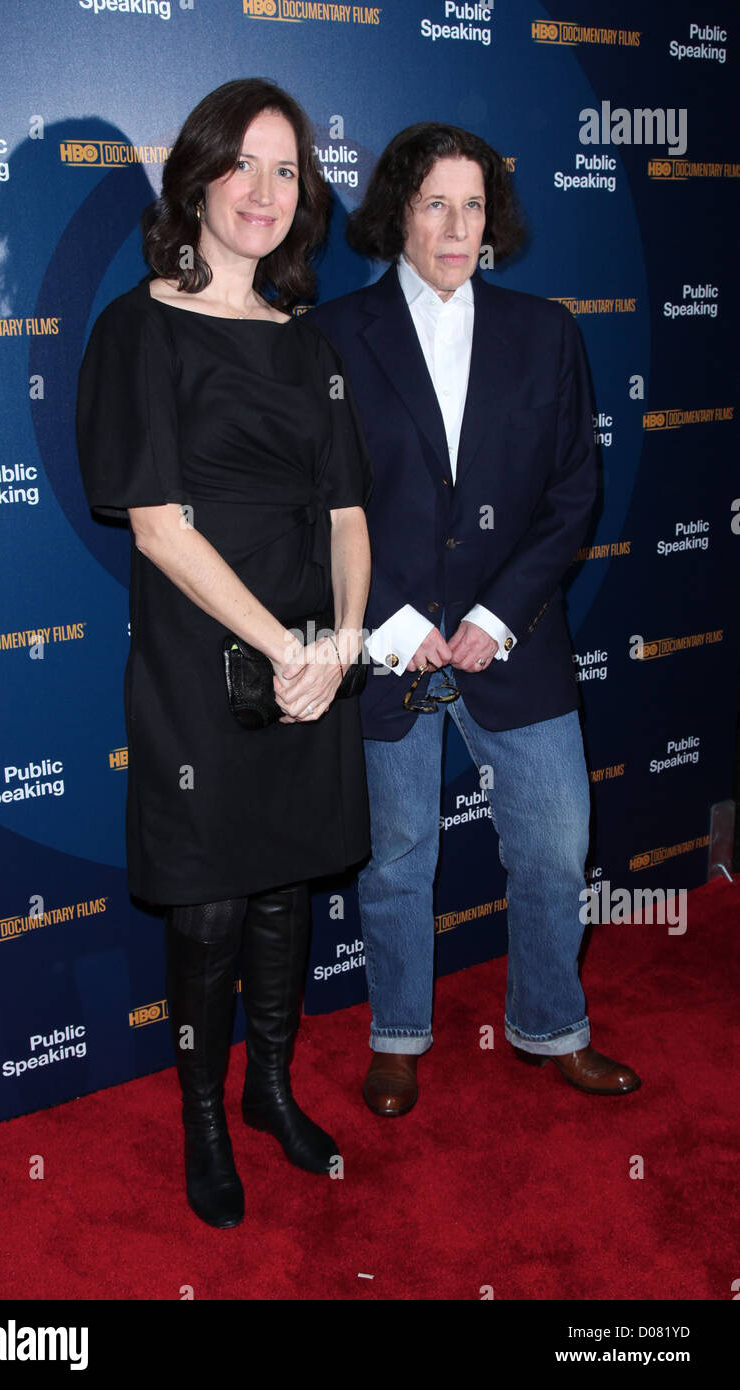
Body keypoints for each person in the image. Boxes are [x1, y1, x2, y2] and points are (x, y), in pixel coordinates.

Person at [76, 79, 372, 1227]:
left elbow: (347, 513)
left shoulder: (309, 344)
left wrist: (338, 643)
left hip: (312, 663)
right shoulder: (137, 328)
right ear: (195, 178)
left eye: (285, 170)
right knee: (206, 906)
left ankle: (270, 1090)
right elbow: (157, 526)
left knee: (286, 889)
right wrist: (285, 645)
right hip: (201, 665)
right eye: (241, 163)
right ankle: (203, 1115)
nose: (262, 190)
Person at [309, 122, 640, 1117]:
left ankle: (550, 1027)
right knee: (397, 857)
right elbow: (312, 501)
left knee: (553, 845)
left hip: (515, 640)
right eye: (434, 204)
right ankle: (397, 1036)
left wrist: (497, 614)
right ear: (395, 215)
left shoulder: (544, 331)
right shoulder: (330, 336)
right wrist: (385, 622)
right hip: (387, 645)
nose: (457, 228)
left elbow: (572, 494)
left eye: (472, 205)